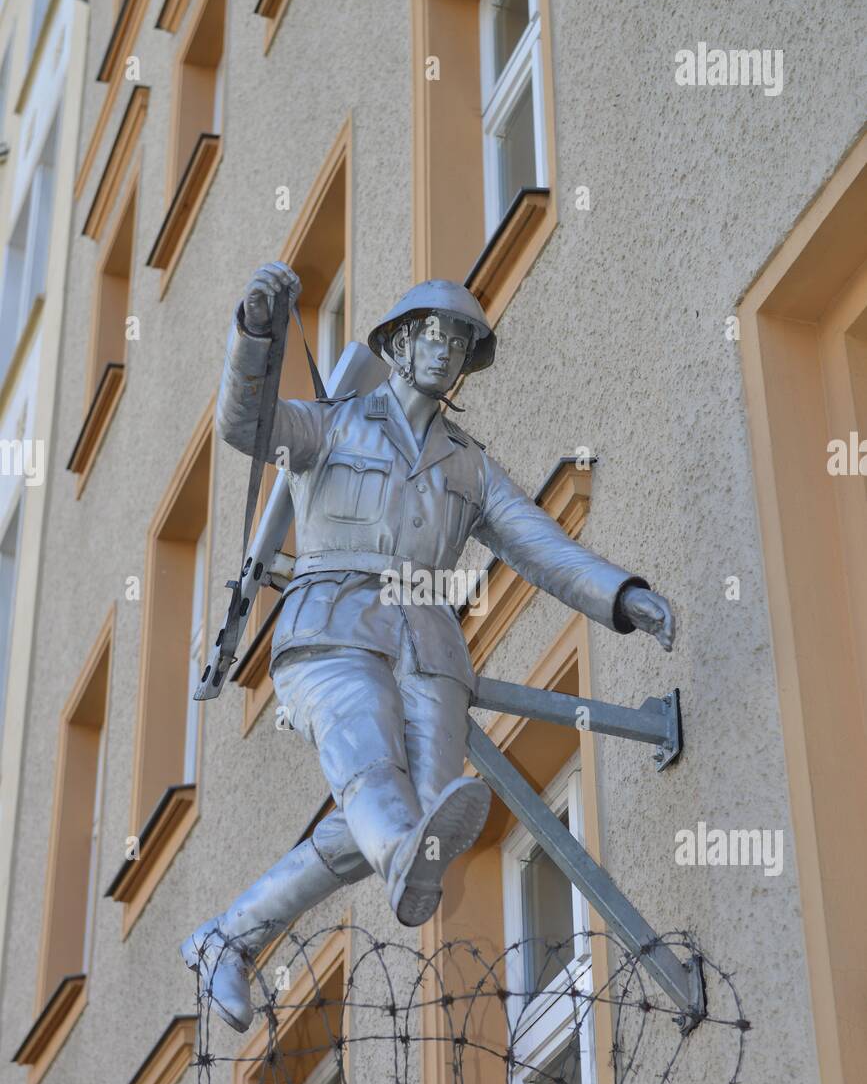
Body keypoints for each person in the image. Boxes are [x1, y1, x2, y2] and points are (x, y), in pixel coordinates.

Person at [180, 263, 675, 1031]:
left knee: (394, 819)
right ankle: (398, 859)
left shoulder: (468, 464)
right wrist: (252, 330)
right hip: (335, 626)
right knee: (376, 778)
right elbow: (244, 426)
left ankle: (228, 938)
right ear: (401, 345)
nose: (445, 350)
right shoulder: (330, 424)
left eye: (460, 340)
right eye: (433, 335)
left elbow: (537, 544)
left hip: (432, 651)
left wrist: (619, 595)